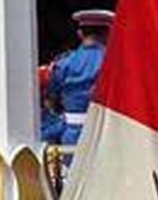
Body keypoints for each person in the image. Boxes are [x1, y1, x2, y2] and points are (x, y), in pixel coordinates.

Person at [47, 9, 114, 145]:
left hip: (72, 133)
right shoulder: (114, 61)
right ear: (108, 33)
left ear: (80, 33)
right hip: (106, 133)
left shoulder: (63, 63)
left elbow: (52, 100)